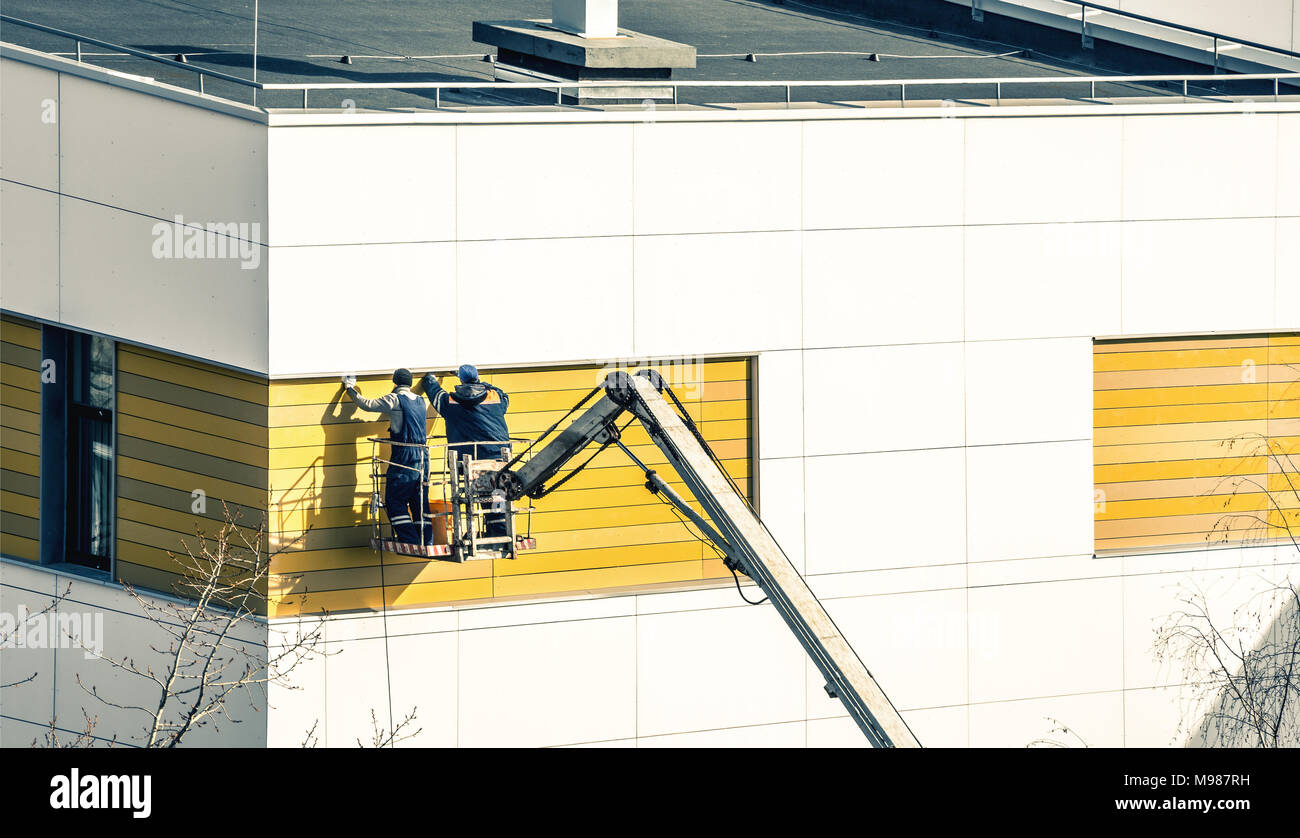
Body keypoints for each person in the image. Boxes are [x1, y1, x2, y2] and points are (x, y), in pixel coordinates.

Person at [342, 369, 431, 545]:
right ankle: (426, 540)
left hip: (404, 455)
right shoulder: (421, 400)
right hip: (423, 456)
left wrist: (350, 388)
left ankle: (410, 541)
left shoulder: (394, 399)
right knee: (419, 500)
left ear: (395, 382)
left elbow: (367, 404)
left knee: (394, 500)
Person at [421, 364, 511, 536]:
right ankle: (499, 533)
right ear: (477, 378)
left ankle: (492, 533)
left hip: (471, 462)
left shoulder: (451, 403)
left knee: (483, 496)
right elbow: (504, 396)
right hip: (498, 459)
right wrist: (480, 383)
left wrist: (429, 379)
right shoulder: (495, 397)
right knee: (496, 497)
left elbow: (435, 394)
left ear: (461, 381)